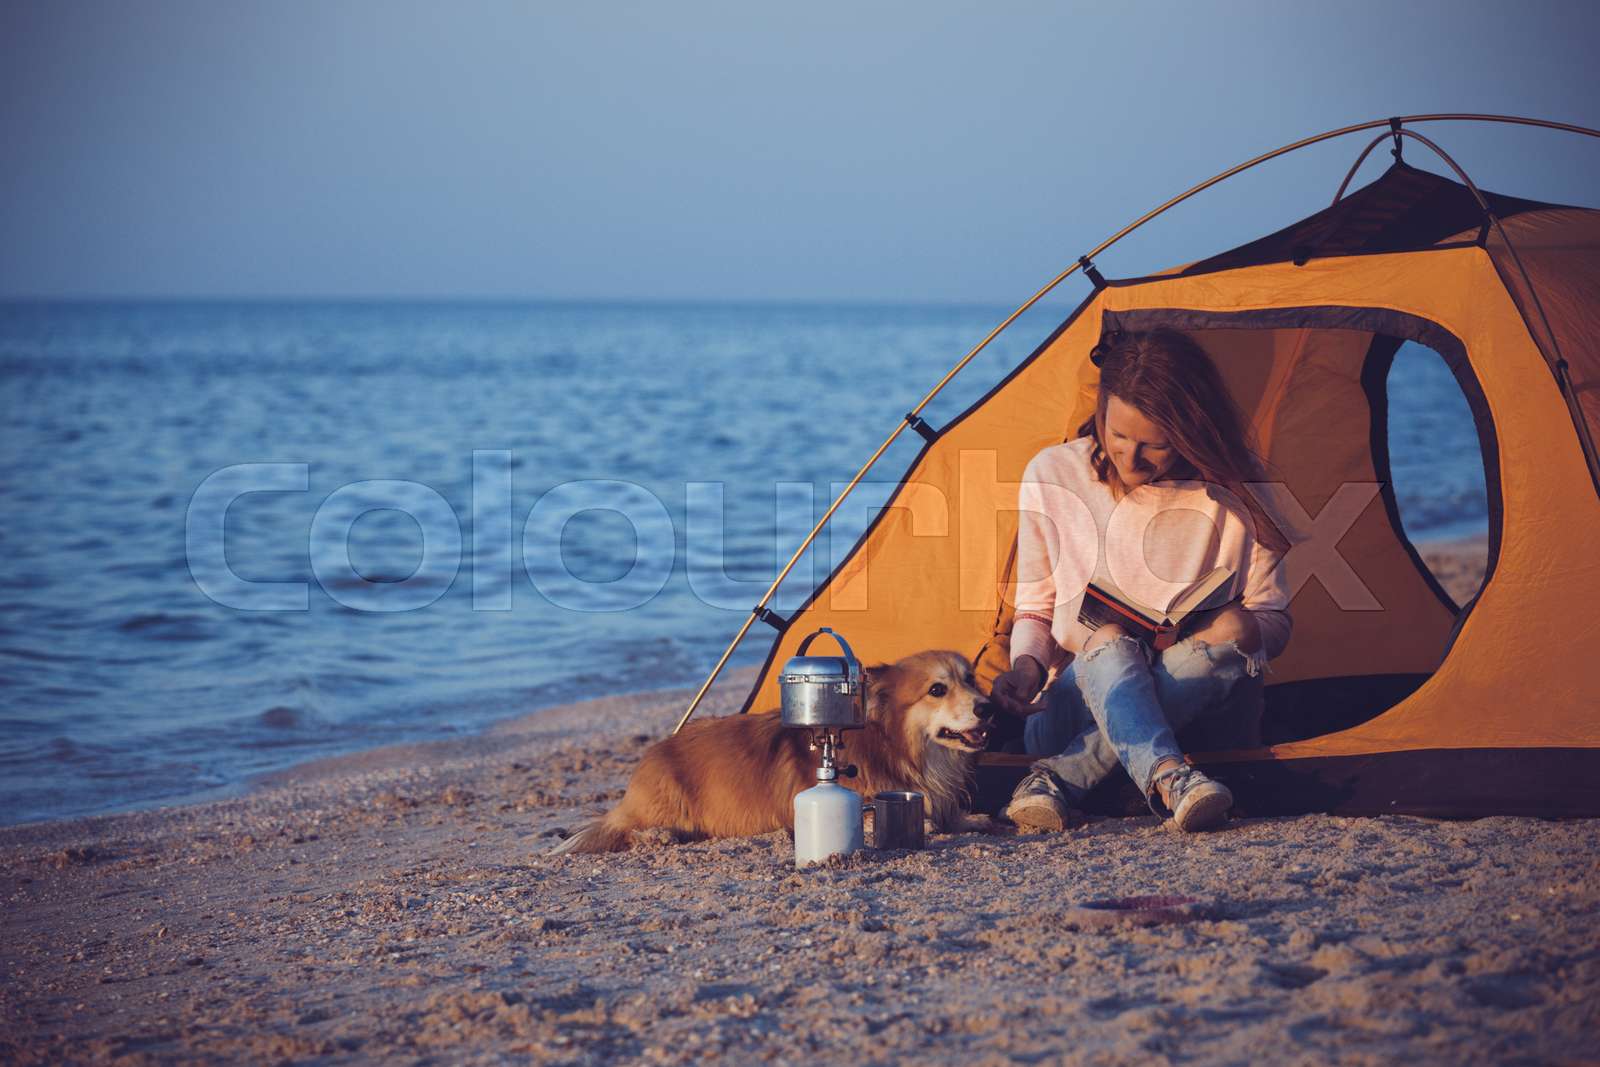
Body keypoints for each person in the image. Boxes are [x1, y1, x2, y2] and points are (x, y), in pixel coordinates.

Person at [988, 327, 1294, 833]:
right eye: (1119, 436)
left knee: (1235, 633)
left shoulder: (1243, 495)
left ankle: (1059, 782)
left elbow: (1275, 622)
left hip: (1197, 707)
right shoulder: (1053, 474)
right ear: (1102, 408)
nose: (1130, 460)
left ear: (1192, 431)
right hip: (1073, 709)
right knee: (1107, 638)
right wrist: (1026, 666)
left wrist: (1238, 629)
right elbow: (1036, 607)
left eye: (1155, 446)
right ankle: (1171, 777)